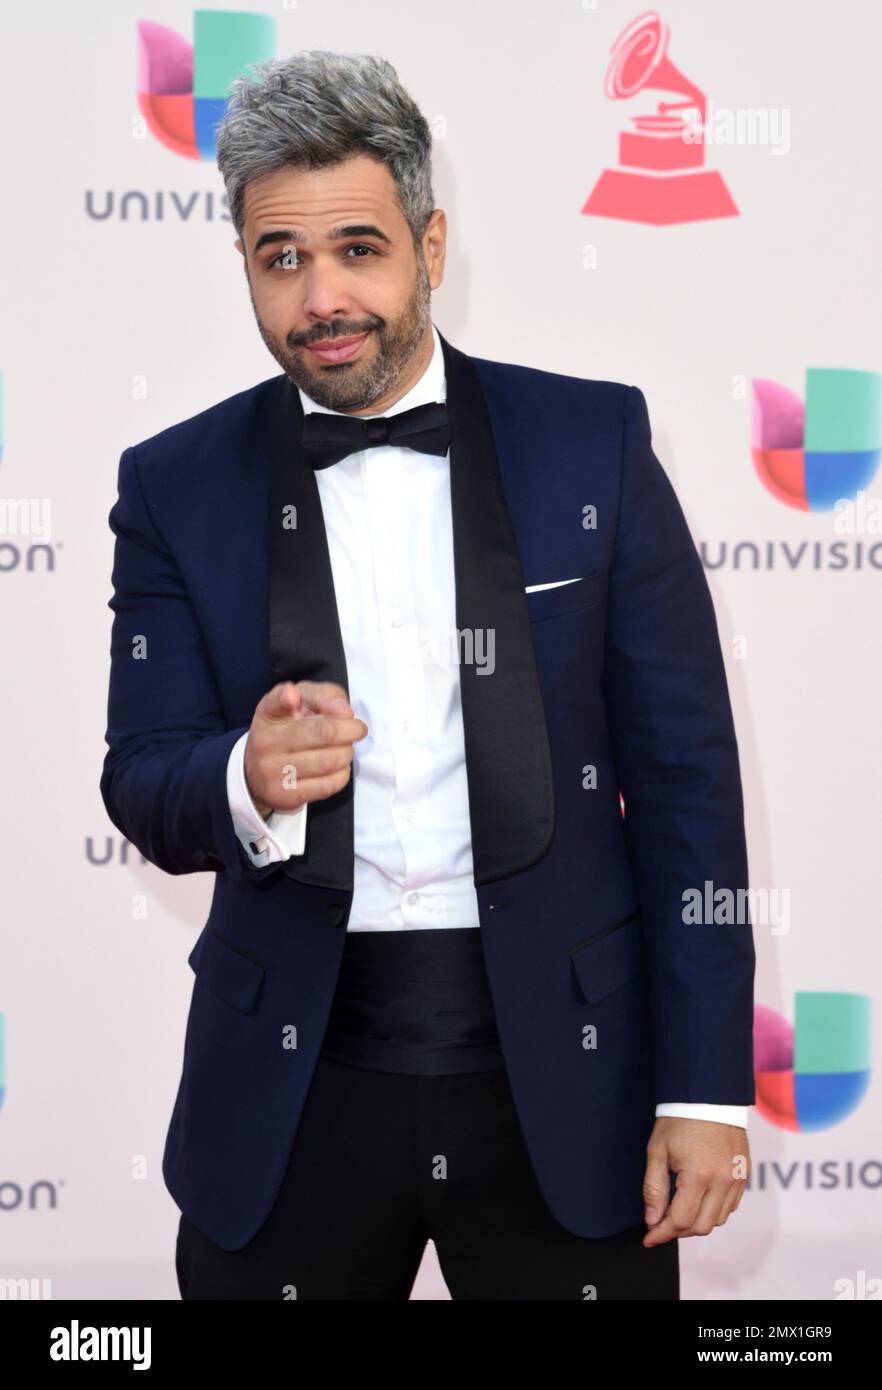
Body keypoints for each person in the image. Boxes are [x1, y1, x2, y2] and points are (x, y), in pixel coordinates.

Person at [100, 50, 755, 1300]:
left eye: (359, 247)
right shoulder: (173, 485)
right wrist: (245, 772)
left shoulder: (593, 442)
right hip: (295, 1084)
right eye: (281, 259)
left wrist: (707, 1083)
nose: (322, 295)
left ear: (431, 244)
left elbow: (688, 787)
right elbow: (143, 778)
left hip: (567, 1077)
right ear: (244, 265)